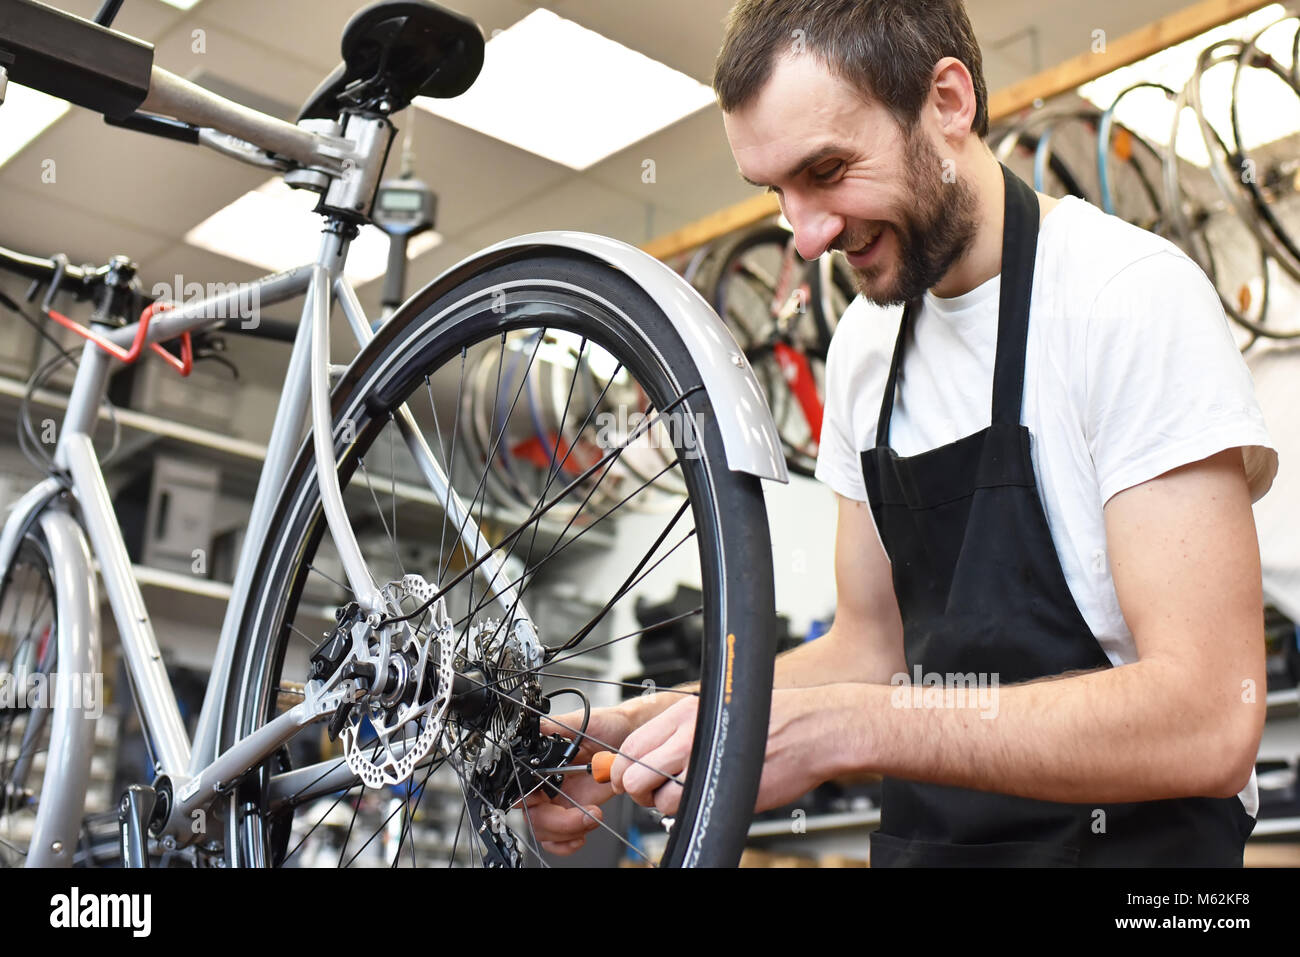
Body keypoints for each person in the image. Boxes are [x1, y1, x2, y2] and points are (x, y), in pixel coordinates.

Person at [527, 0, 1278, 865]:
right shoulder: (864, 346)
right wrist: (642, 727)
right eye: (778, 193)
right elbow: (868, 651)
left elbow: (1210, 719)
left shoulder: (1126, 297)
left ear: (948, 103)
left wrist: (853, 727)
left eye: (830, 168)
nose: (805, 237)